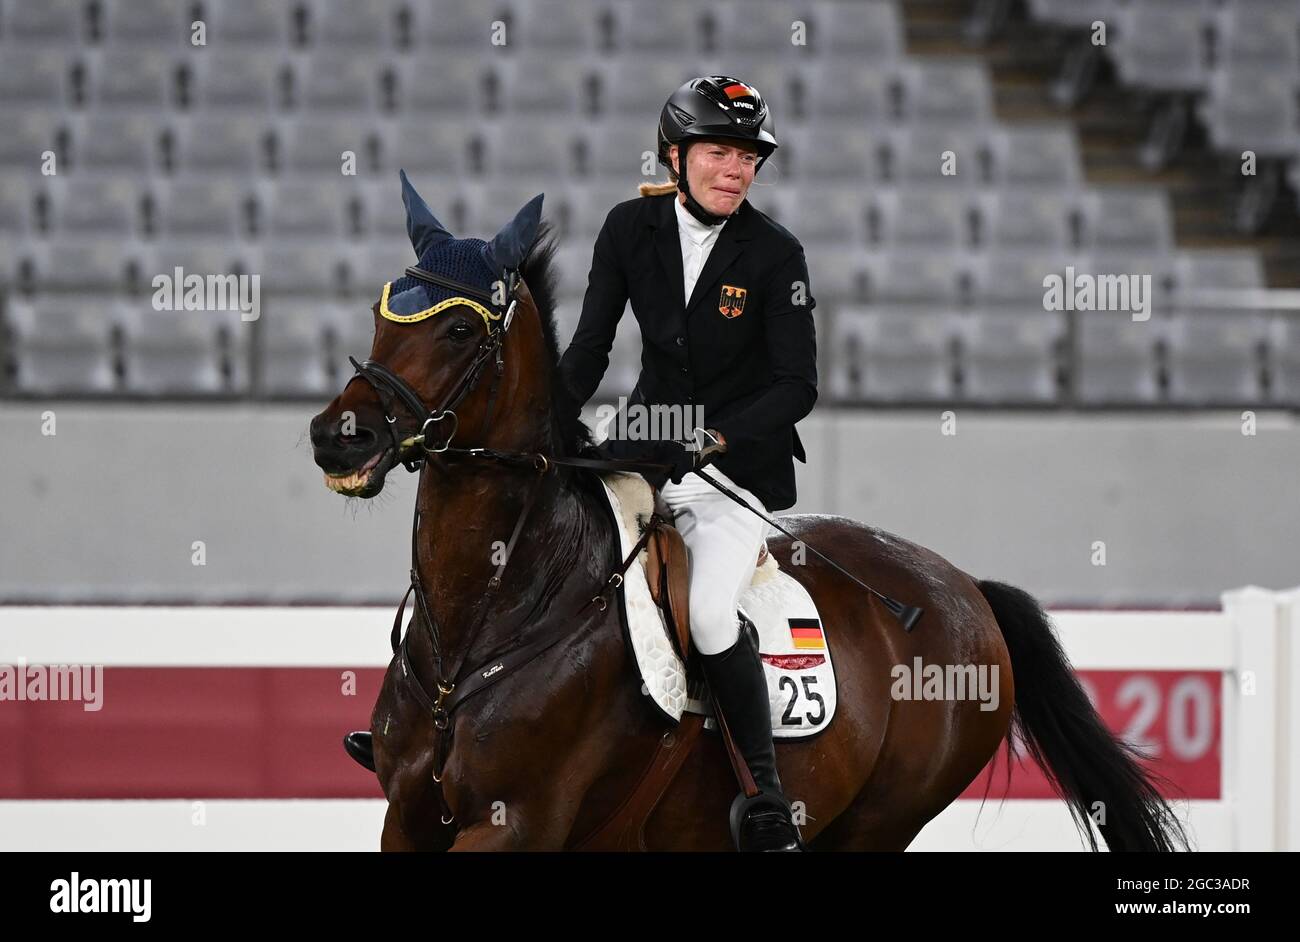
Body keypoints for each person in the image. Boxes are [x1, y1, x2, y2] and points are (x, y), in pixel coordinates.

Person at [558, 75, 818, 851]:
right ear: (675, 155)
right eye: (719, 153)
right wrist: (549, 418)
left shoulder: (776, 254)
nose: (737, 170)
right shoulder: (627, 228)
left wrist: (706, 442)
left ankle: (765, 792)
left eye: (749, 157)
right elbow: (590, 349)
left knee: (707, 612)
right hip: (644, 440)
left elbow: (797, 387)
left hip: (737, 467)